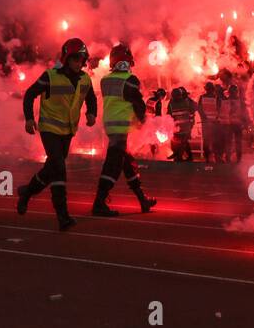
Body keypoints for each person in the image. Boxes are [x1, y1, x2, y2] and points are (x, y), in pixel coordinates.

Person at [17, 37, 97, 230]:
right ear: (67, 58)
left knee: (51, 169)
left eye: (82, 59)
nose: (79, 63)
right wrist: (29, 119)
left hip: (68, 131)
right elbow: (29, 94)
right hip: (49, 130)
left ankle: (27, 192)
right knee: (59, 168)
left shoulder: (85, 79)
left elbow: (92, 98)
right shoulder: (50, 76)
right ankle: (63, 216)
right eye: (75, 58)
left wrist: (92, 113)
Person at [93, 44, 156, 216]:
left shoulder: (105, 80)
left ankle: (142, 200)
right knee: (113, 166)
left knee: (128, 164)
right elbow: (137, 104)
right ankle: (99, 203)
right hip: (121, 128)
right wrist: (144, 119)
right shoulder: (131, 79)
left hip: (111, 126)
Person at [218, 75, 246, 164]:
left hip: (229, 124)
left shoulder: (225, 101)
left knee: (229, 142)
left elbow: (222, 112)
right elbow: (244, 113)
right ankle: (238, 158)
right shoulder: (240, 101)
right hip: (236, 124)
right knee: (237, 142)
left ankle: (228, 158)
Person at [167, 86, 196, 161]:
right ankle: (186, 157)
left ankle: (179, 157)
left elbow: (193, 109)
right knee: (180, 143)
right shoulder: (173, 103)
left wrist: (191, 123)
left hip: (184, 128)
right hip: (178, 128)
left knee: (183, 143)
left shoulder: (185, 102)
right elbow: (169, 115)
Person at [198, 82, 223, 163]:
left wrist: (204, 118)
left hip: (206, 123)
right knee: (215, 141)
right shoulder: (217, 98)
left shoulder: (202, 97)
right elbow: (220, 110)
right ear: (213, 89)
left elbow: (200, 109)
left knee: (206, 141)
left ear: (206, 89)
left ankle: (208, 158)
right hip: (215, 123)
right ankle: (216, 157)